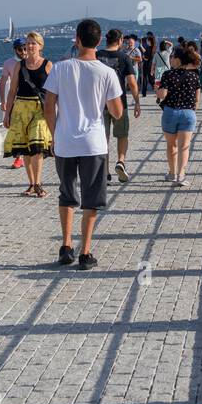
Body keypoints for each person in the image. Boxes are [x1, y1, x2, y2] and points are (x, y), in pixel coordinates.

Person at [43, 19, 124, 270]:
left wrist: (56, 134)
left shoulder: (59, 68)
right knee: (92, 199)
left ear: (76, 39)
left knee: (67, 194)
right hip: (94, 144)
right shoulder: (107, 73)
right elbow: (117, 112)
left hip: (65, 142)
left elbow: (48, 106)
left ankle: (66, 246)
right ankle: (85, 252)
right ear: (99, 42)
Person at [3, 31, 53, 197]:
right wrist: (7, 113)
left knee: (37, 146)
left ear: (40, 46)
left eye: (33, 43)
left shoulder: (47, 65)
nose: (30, 46)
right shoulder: (20, 65)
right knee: (25, 148)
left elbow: (54, 91)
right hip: (21, 107)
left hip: (39, 109)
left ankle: (38, 183)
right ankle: (31, 183)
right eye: (28, 43)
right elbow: (12, 91)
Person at [96, 28, 142, 183]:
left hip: (99, 104)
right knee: (122, 135)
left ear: (106, 40)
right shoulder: (124, 57)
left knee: (103, 139)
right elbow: (132, 82)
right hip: (119, 103)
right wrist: (137, 102)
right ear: (120, 40)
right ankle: (121, 161)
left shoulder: (97, 56)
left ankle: (105, 174)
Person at [156, 47, 200, 186]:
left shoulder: (168, 74)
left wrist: (157, 91)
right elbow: (197, 100)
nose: (170, 59)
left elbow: (162, 95)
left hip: (170, 112)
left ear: (177, 59)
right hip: (188, 113)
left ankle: (172, 173)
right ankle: (181, 176)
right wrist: (191, 110)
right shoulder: (194, 76)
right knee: (184, 146)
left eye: (172, 57)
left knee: (171, 145)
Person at [0, 38, 28, 168]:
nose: (23, 52)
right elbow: (3, 81)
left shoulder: (33, 61)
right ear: (15, 50)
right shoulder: (9, 63)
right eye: (20, 49)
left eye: (25, 48)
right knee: (16, 129)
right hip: (16, 100)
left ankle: (28, 155)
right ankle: (18, 158)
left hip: (31, 100)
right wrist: (3, 101)